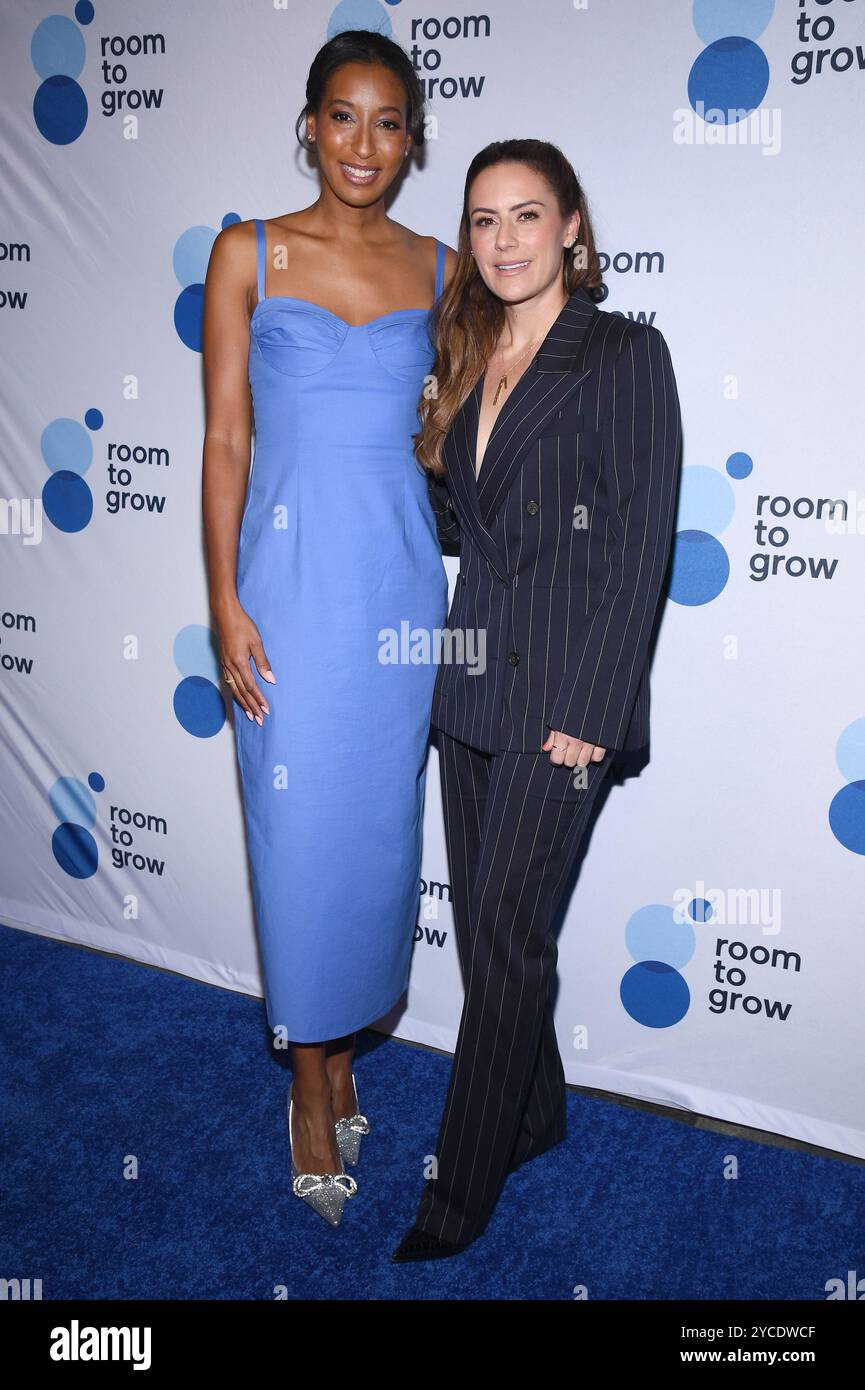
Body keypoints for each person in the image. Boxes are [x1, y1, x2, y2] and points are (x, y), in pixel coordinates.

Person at [392, 139, 682, 1260]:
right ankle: (539, 1110)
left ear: (571, 226)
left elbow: (637, 546)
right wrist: (424, 451)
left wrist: (595, 712)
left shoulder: (620, 354)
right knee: (490, 933)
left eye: (527, 215)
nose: (504, 239)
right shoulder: (461, 351)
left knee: (507, 935)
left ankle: (454, 1193)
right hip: (468, 687)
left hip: (566, 700)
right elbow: (471, 534)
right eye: (482, 220)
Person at [201, 29, 455, 1228]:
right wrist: (222, 600)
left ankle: (346, 1047)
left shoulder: (444, 267)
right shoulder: (247, 252)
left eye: (389, 121)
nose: (364, 143)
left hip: (398, 592)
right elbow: (224, 443)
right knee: (297, 833)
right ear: (310, 124)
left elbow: (454, 437)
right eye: (343, 117)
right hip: (286, 590)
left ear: (412, 139)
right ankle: (309, 1083)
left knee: (371, 832)